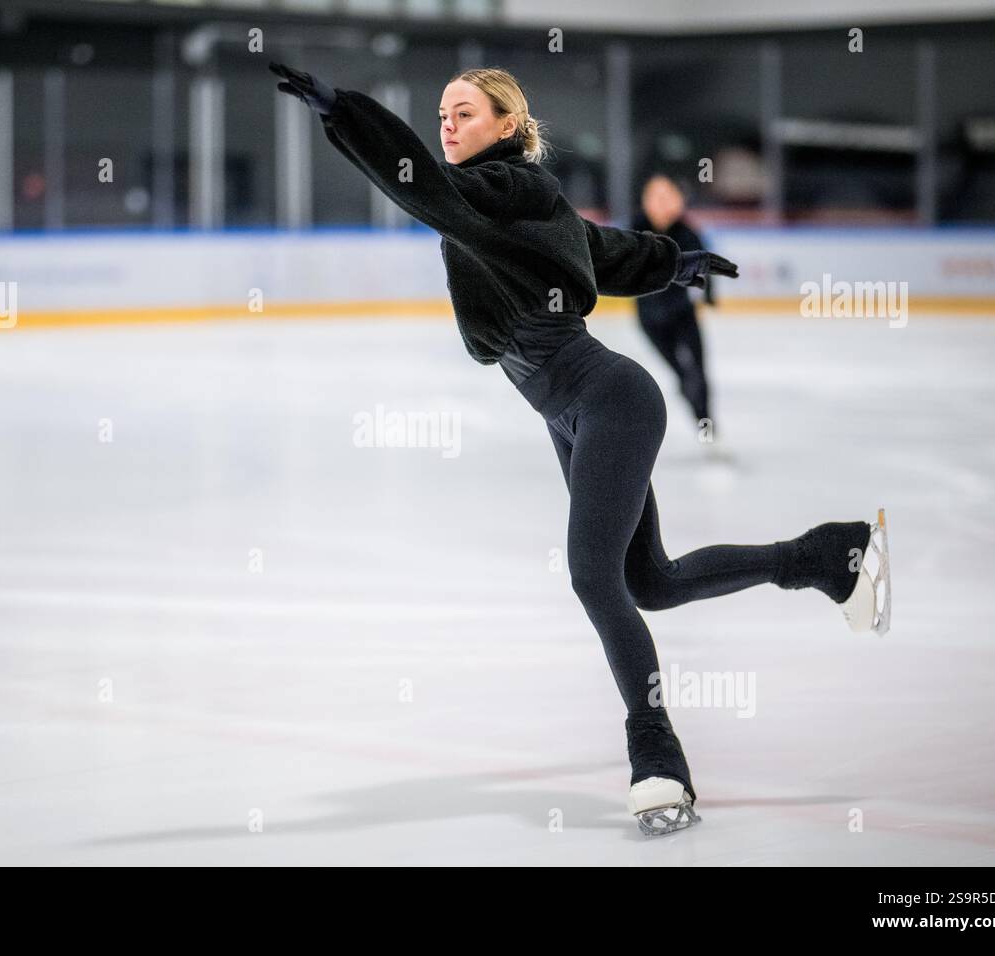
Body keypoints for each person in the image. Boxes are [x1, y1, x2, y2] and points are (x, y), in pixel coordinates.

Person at [270, 61, 891, 836]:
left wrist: (348, 114)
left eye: (464, 114)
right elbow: (595, 250)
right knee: (650, 583)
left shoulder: (495, 191)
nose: (447, 126)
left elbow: (416, 181)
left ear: (506, 125)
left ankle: (656, 757)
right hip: (577, 413)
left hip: (608, 401)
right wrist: (671, 261)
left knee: (593, 576)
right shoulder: (516, 200)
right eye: (440, 114)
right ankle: (829, 557)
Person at [630, 174, 719, 448]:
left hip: (683, 315)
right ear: (646, 202)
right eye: (655, 198)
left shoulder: (687, 233)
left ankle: (706, 423)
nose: (662, 204)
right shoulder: (635, 230)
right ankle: (699, 417)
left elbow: (705, 265)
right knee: (682, 374)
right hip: (650, 321)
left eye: (668, 197)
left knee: (699, 374)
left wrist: (709, 295)